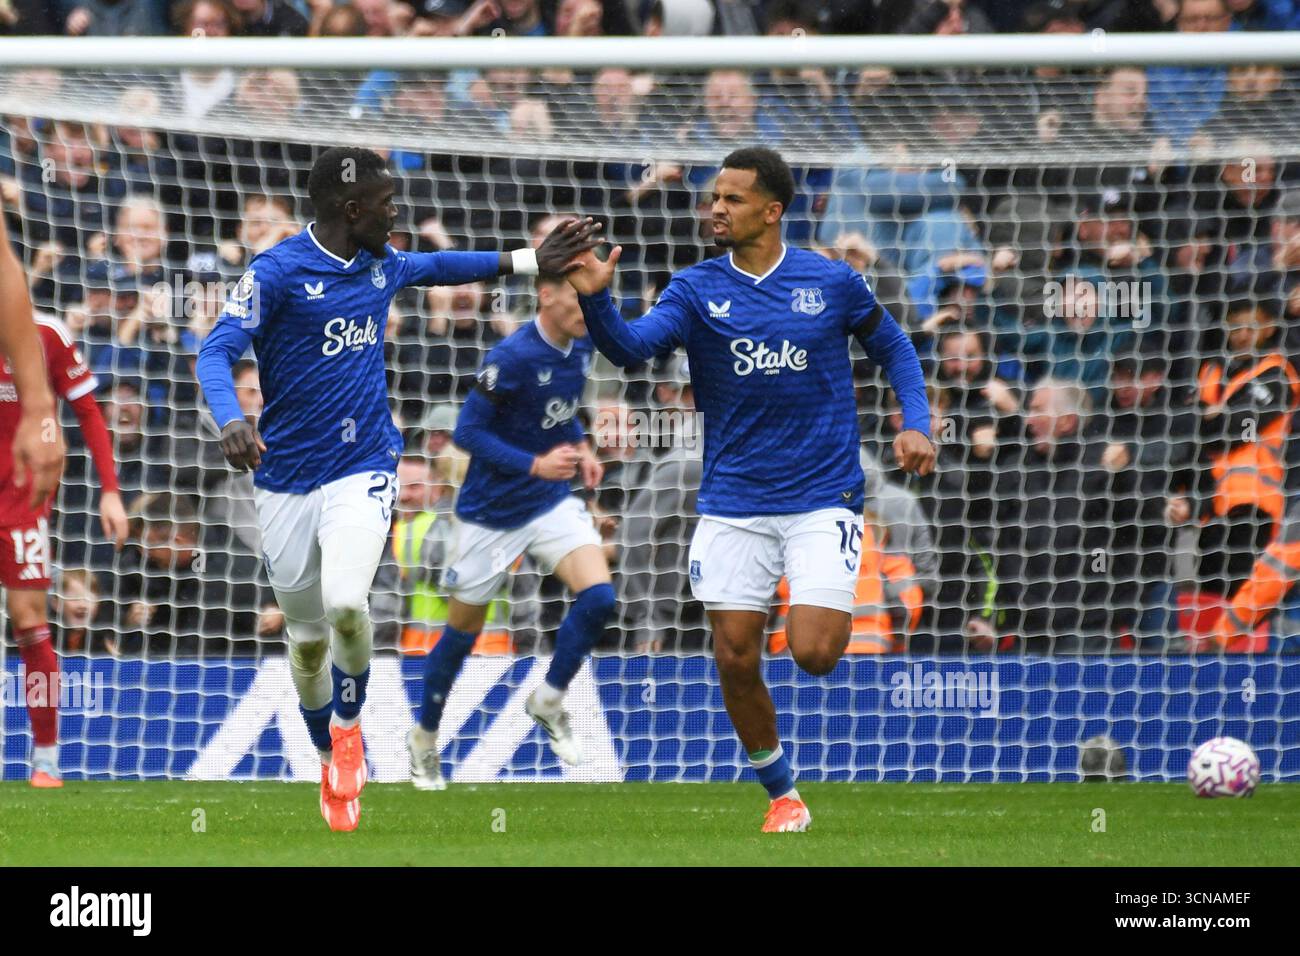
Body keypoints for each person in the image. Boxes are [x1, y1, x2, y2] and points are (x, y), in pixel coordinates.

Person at [195, 146, 599, 831]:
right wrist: (231, 419)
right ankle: (329, 751)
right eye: (388, 203)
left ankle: (349, 725)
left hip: (364, 466)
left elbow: (449, 264)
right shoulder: (279, 271)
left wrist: (537, 259)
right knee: (306, 640)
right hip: (284, 479)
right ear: (351, 210)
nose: (398, 213)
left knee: (349, 603)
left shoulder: (384, 264)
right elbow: (213, 351)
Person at [566, 146, 933, 832]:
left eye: (732, 199)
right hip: (734, 500)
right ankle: (783, 797)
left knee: (815, 653)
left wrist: (916, 422)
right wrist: (596, 299)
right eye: (713, 198)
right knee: (734, 655)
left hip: (823, 495)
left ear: (773, 209)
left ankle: (794, 773)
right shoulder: (695, 288)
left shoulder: (832, 283)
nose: (716, 209)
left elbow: (896, 349)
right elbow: (630, 348)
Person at [407, 274, 614, 790]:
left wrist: (581, 447)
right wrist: (534, 465)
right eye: (578, 299)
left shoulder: (580, 347)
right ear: (546, 295)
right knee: (461, 637)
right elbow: (467, 433)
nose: (587, 311)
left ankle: (548, 699)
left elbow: (558, 415)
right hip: (489, 514)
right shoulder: (512, 357)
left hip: (547, 503)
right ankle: (424, 739)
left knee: (600, 598)